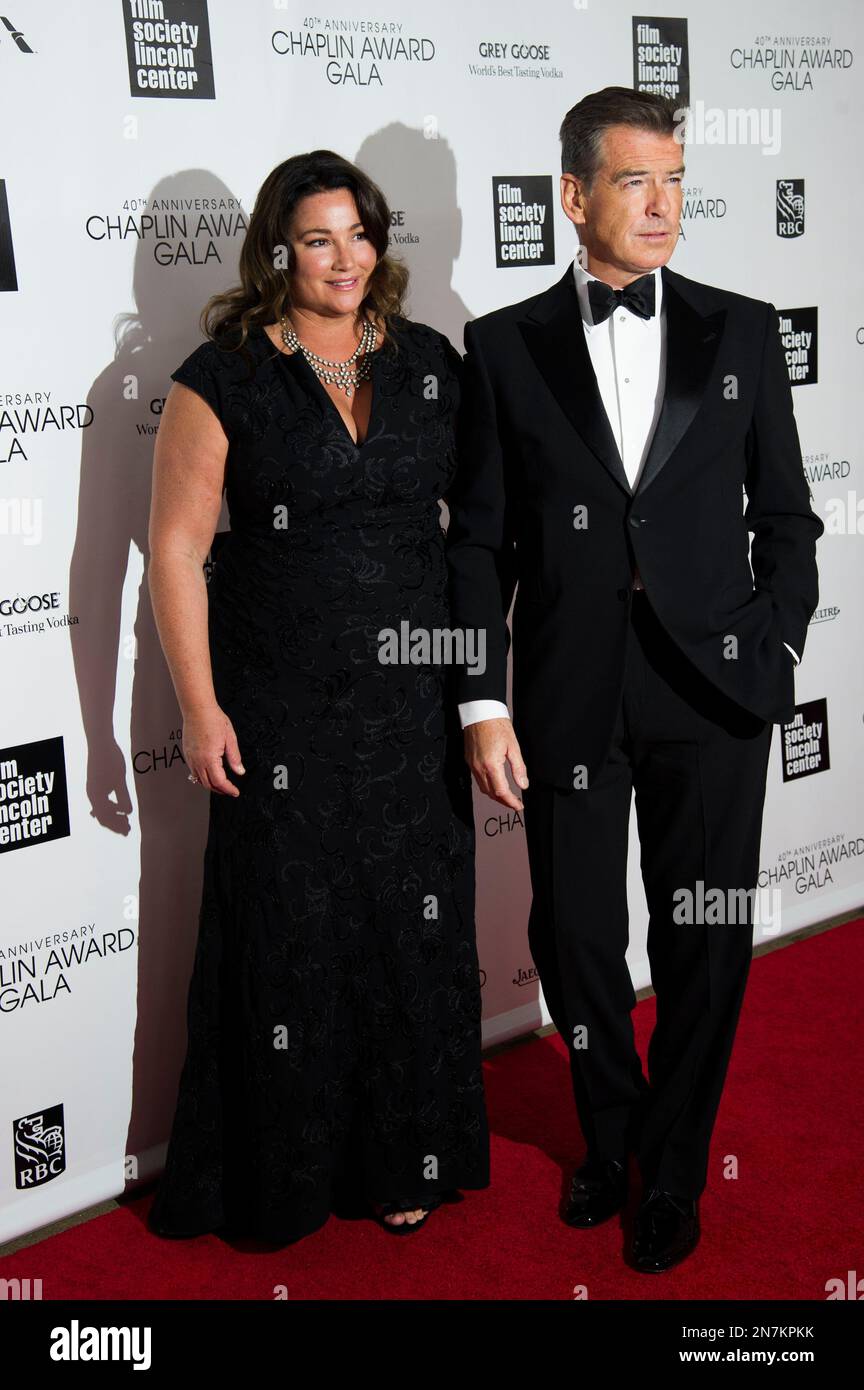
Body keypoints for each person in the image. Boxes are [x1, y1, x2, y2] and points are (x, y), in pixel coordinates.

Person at [446, 87, 822, 1272]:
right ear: (573, 195)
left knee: (704, 936)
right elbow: (478, 544)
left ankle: (676, 1162)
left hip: (715, 691)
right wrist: (481, 698)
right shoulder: (504, 347)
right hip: (570, 689)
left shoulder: (742, 330)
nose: (663, 205)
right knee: (574, 935)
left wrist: (779, 644)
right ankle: (610, 1135)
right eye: (633, 181)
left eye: (674, 180)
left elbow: (790, 515)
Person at [146, 149, 489, 1245]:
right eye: (317, 240)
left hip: (412, 707)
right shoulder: (226, 374)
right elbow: (175, 550)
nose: (344, 259)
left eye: (359, 234)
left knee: (408, 928)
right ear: (278, 252)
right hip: (279, 704)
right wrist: (199, 707)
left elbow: (479, 529)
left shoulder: (429, 362)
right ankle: (282, 1176)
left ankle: (405, 1156)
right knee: (290, 930)